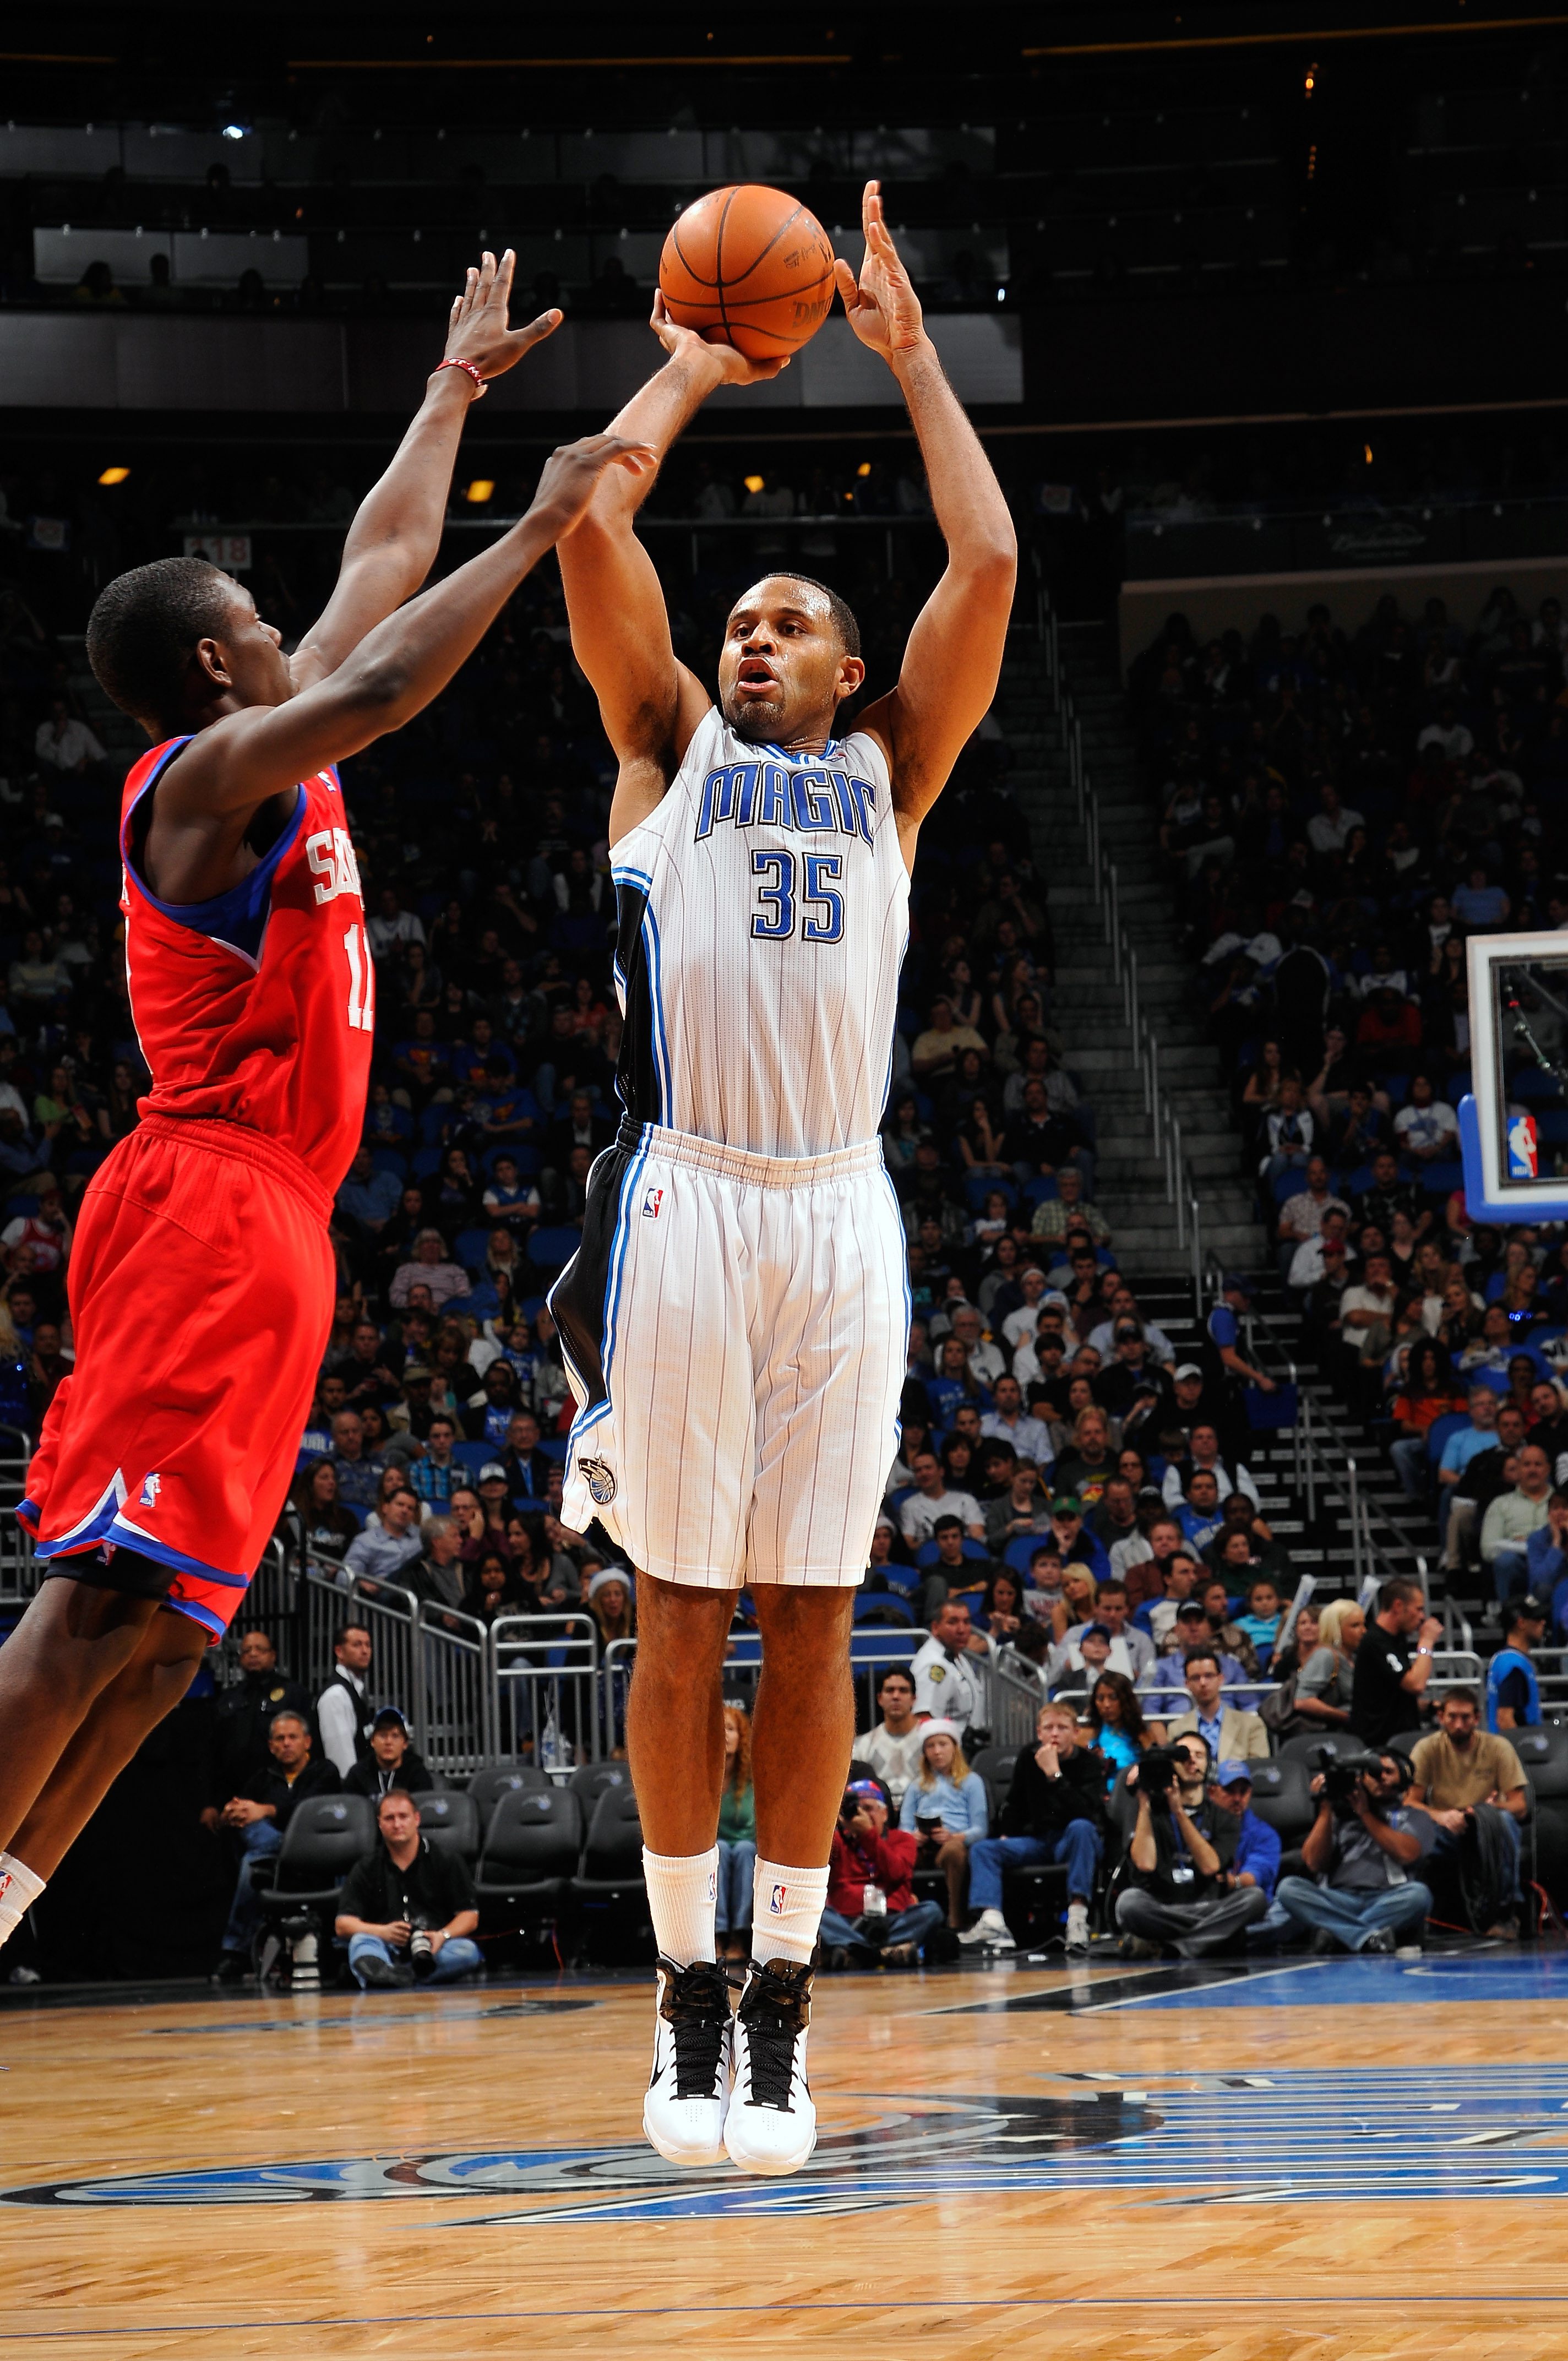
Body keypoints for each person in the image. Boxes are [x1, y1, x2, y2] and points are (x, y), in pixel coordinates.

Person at [0, 251, 651, 1968]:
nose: (301, 630)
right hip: (206, 1197)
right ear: (224, 660)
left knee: (158, 1653)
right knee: (89, 1610)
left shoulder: (259, 731)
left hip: (277, 1213)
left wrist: (449, 395)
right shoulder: (200, 777)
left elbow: (376, 566)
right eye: (266, 627)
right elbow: (371, 676)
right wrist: (539, 531)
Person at [549, 181, 1016, 2176]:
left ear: (844, 675)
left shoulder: (886, 769)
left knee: (811, 1619)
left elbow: (982, 552)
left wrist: (905, 360)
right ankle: (679, 1983)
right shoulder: (663, 749)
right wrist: (692, 354)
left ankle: (786, 2007)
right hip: (687, 1195)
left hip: (836, 1209)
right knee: (677, 1608)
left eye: (789, 619)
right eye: (738, 614)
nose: (750, 628)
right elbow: (586, 525)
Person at [959, 1700, 1105, 1956]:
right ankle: (993, 1924)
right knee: (983, 1849)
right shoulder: (1029, 1757)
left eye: (1062, 1727)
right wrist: (1007, 1832)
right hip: (1037, 1841)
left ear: (1076, 1733)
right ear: (1039, 1733)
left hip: (1071, 1842)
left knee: (1082, 1828)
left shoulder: (1089, 1764)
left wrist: (1055, 1775)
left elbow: (1086, 1813)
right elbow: (1015, 1802)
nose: (1055, 1734)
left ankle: (1077, 1918)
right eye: (1049, 1728)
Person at [211, 1710, 341, 1979]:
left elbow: (309, 1810)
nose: (286, 1744)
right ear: (271, 1746)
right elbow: (244, 1812)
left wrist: (266, 1811)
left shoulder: (325, 1771)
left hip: (316, 1855)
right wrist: (232, 1813)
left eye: (293, 1737)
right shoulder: (263, 1778)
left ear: (307, 1741)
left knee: (254, 1857)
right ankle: (236, 1956)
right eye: (280, 1739)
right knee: (252, 1850)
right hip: (275, 1862)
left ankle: (235, 1950)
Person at [1114, 1734, 1271, 1957]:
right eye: (1184, 1755)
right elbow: (1145, 1864)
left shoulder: (1224, 1818)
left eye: (1199, 1756)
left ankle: (1176, 1946)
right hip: (1161, 1907)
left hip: (1206, 1906)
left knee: (1255, 1898)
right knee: (1128, 1904)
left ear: (1209, 1766)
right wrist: (1144, 1804)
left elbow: (1210, 1866)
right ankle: (1209, 1939)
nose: (1192, 1761)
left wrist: (1178, 1812)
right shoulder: (1146, 1810)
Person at [1273, 1751, 1433, 1955]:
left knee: (1419, 1895)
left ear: (1403, 1777)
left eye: (1388, 1772)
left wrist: (1365, 1813)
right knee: (1289, 1888)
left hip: (1388, 1898)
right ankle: (1365, 1938)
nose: (1380, 1777)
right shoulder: (1340, 1816)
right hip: (1340, 1900)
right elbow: (1314, 1863)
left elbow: (1406, 1853)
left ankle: (1339, 1935)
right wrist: (1325, 1809)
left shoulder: (1413, 1815)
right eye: (1374, 1772)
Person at [1407, 1687, 1528, 1934]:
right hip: (1446, 1826)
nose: (1459, 1724)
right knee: (1410, 1829)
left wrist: (1490, 1810)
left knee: (1504, 1822)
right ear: (1441, 1717)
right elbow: (1410, 1802)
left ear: (1477, 1717)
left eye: (1465, 1717)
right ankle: (1412, 1917)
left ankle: (1505, 1914)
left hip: (1485, 1828)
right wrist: (1441, 1815)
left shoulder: (1498, 1747)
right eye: (1452, 1717)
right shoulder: (1427, 1748)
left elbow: (1520, 1807)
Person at [334, 1788, 482, 1989]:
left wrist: (443, 1935)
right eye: (389, 1818)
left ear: (417, 1819)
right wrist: (382, 1932)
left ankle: (393, 1977)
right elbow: (343, 1924)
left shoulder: (446, 1860)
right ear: (380, 1823)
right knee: (361, 1943)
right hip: (384, 1945)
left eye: (403, 1817)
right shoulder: (366, 1866)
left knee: (467, 1951)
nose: (397, 1824)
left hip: (432, 1947)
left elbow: (470, 1915)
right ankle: (406, 1975)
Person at [820, 1779, 945, 1971]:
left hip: (892, 1920)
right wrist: (834, 1825)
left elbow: (895, 1873)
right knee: (817, 1914)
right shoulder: (836, 1842)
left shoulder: (903, 1840)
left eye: (869, 1808)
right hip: (847, 1920)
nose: (862, 1815)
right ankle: (885, 1953)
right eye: (855, 1809)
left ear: (885, 1814)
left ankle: (857, 1952)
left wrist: (868, 1835)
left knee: (931, 1911)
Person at [199, 1628, 313, 1826]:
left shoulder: (294, 1693)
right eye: (247, 1651)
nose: (253, 1654)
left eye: (260, 1649)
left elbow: (310, 1746)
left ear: (273, 1655)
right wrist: (210, 1804)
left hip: (278, 1794)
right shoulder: (228, 1700)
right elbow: (212, 1754)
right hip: (232, 1796)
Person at [898, 1717, 989, 1927]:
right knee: (899, 1851)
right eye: (931, 1746)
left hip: (953, 1841)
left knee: (954, 1852)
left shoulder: (971, 1781)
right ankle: (903, 1917)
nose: (937, 1751)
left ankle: (956, 1920)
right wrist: (912, 1837)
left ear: (954, 1748)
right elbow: (903, 1829)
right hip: (921, 1844)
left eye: (943, 1744)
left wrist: (954, 1837)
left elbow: (980, 1829)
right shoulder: (916, 1786)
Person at [1349, 1577, 1443, 1747]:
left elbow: (1391, 1695)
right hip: (1380, 1744)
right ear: (1398, 1606)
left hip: (1402, 1737)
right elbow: (1416, 1685)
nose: (1422, 1617)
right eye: (1419, 1609)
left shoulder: (1397, 1640)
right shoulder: (1375, 1642)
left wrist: (1429, 1707)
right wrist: (1426, 1643)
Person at [1163, 1649, 1270, 1763]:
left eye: (1209, 1676)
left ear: (1221, 1679)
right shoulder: (1176, 1729)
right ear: (1187, 1684)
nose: (1203, 1683)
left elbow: (1260, 1770)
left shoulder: (1251, 1725)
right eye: (1195, 1678)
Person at [1480, 1443, 1553, 1604]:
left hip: (1552, 1562)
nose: (1533, 1470)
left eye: (1538, 1465)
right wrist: (1513, 1545)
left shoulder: (1562, 1504)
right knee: (1505, 1560)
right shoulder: (1500, 1504)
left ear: (1548, 1469)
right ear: (1518, 1470)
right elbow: (1488, 1549)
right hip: (1516, 1564)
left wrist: (1536, 1545)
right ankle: (1509, 1618)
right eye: (1527, 1465)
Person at [909, 1597, 990, 1737]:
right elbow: (924, 1718)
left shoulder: (957, 1656)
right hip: (947, 1749)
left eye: (966, 1622)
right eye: (952, 1622)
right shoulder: (933, 1665)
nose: (961, 1629)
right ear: (935, 1628)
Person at [1207, 1759, 1281, 1903]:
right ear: (1212, 1792)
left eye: (1243, 1791)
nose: (1237, 1799)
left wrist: (1231, 1882)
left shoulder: (1265, 1836)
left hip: (1247, 1909)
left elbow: (1255, 1876)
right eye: (1229, 1790)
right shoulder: (1199, 1828)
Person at [716, 1702, 756, 1966]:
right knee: (718, 1850)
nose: (726, 1736)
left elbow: (756, 1827)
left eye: (731, 1729)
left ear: (741, 1737)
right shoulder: (702, 1777)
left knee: (743, 1850)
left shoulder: (753, 1778)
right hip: (715, 1845)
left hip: (747, 1845)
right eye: (720, 1730)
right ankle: (717, 1937)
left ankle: (739, 1937)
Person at [857, 1667, 925, 1807]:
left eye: (903, 1690)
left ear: (914, 1699)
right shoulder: (863, 1745)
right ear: (880, 1699)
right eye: (890, 1690)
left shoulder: (930, 1740)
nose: (896, 1696)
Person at [317, 1622, 375, 1779]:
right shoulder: (336, 1695)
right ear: (339, 1651)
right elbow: (341, 1760)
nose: (364, 1651)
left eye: (368, 1645)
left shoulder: (354, 1689)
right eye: (357, 1645)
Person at [1294, 1598, 1364, 1729]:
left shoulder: (1354, 1658)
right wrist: (1346, 1717)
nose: (1363, 1631)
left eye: (1363, 1625)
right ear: (1336, 1628)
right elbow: (1302, 1701)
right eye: (1355, 1626)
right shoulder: (1325, 1656)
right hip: (1334, 1735)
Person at [342, 1706, 434, 1802]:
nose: (389, 1742)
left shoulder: (417, 1773)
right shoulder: (358, 1774)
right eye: (383, 1735)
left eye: (395, 1736)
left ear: (405, 1744)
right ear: (373, 1741)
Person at [1487, 1595, 1549, 1732]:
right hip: (1517, 1749)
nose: (1543, 1623)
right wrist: (1522, 1750)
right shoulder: (1515, 1665)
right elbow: (1504, 1719)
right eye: (1537, 1619)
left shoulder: (1501, 1659)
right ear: (1521, 1623)